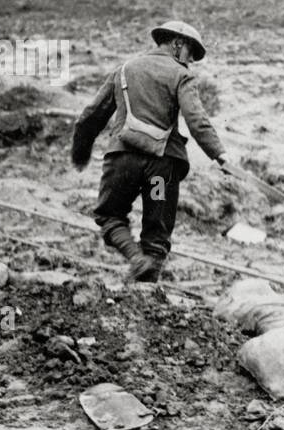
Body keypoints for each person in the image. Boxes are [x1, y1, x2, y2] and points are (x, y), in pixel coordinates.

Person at [71, 20, 227, 282]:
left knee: (110, 216)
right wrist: (220, 155)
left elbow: (91, 116)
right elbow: (197, 120)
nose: (190, 62)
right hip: (159, 171)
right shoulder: (182, 75)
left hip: (124, 163)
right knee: (156, 231)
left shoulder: (124, 70)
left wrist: (81, 152)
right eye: (190, 54)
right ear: (178, 44)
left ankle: (135, 260)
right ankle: (147, 286)